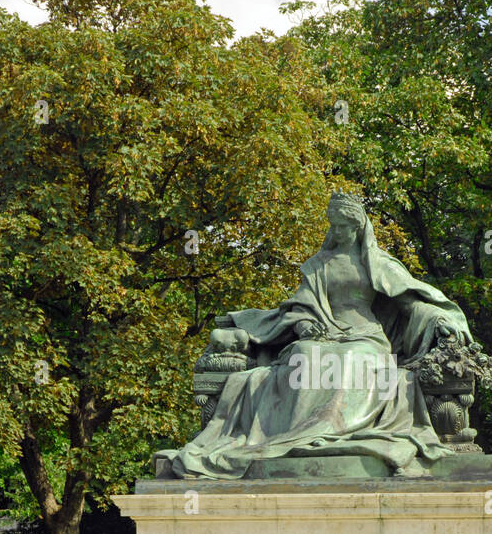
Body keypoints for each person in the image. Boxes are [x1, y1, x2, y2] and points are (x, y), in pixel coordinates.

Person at [166, 192, 475, 479]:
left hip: (365, 337)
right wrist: (304, 326)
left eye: (343, 227)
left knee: (352, 359)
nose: (337, 233)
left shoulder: (377, 265)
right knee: (303, 355)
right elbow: (300, 306)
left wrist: (439, 319)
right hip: (324, 334)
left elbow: (412, 304)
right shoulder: (317, 265)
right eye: (334, 226)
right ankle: (299, 432)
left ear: (357, 227)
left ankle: (330, 427)